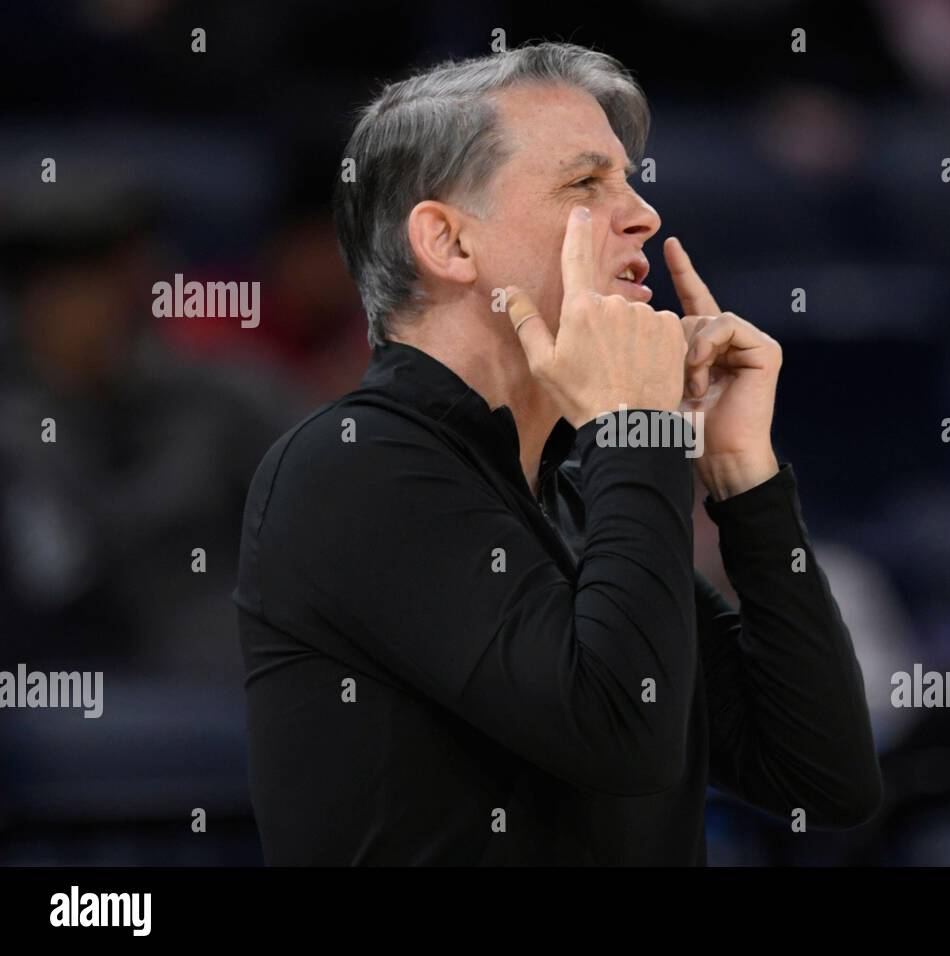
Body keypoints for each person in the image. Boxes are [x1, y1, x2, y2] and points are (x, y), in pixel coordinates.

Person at [234, 41, 881, 865]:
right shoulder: (351, 468)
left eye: (629, 181)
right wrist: (635, 427)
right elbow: (625, 737)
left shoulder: (573, 488)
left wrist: (740, 476)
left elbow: (825, 777)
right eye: (585, 184)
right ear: (449, 243)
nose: (642, 214)